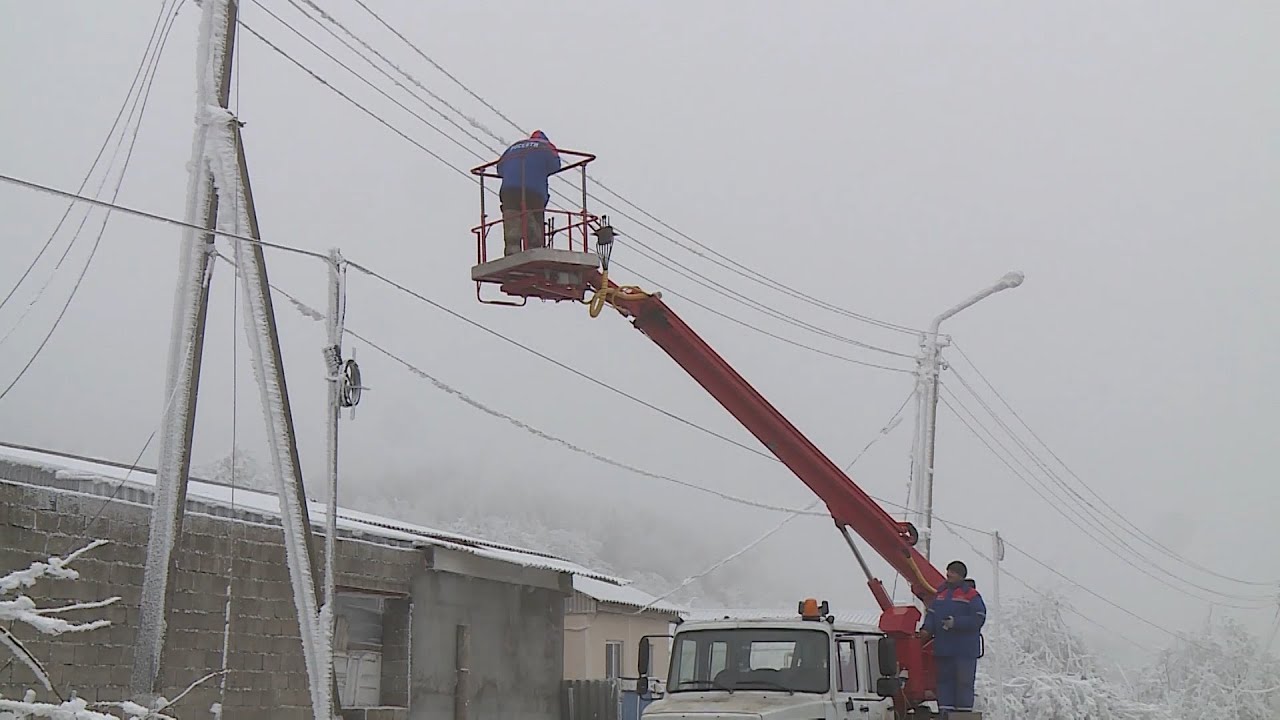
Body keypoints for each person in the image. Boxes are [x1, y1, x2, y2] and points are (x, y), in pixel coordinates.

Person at [918, 560, 986, 717]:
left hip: (964, 651)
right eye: (948, 571)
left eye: (953, 572)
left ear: (961, 576)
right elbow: (932, 614)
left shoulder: (971, 595)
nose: (949, 575)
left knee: (964, 683)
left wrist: (956, 622)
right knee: (943, 682)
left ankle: (963, 714)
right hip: (943, 650)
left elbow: (979, 618)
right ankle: (945, 713)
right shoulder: (940, 594)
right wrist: (926, 629)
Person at [496, 130, 561, 255]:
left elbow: (500, 168)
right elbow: (556, 165)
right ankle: (534, 249)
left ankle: (512, 251)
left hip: (508, 190)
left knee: (512, 220)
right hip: (534, 191)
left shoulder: (514, 146)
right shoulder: (546, 146)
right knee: (535, 222)